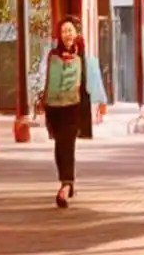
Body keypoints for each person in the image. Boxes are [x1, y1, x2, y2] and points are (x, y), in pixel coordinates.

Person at [38, 17, 107, 208]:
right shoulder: (52, 55)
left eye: (70, 30)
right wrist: (42, 100)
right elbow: (44, 78)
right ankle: (66, 181)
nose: (67, 34)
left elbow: (93, 80)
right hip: (53, 107)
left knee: (67, 144)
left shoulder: (84, 58)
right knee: (60, 145)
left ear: (76, 33)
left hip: (73, 106)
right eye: (63, 31)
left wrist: (101, 102)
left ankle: (66, 184)